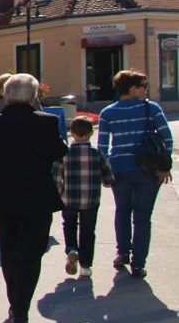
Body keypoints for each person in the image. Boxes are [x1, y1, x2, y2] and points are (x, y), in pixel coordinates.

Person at [0, 73, 67, 323]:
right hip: (36, 201)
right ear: (34, 97)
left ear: (5, 95)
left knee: (10, 253)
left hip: (0, 201)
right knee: (32, 256)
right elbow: (60, 153)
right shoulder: (47, 123)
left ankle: (16, 304)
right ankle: (21, 313)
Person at [97, 69, 173, 279]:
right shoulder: (151, 108)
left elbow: (102, 147)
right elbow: (167, 138)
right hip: (147, 171)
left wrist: (104, 173)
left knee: (122, 211)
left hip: (119, 170)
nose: (146, 90)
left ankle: (122, 254)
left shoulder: (107, 113)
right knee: (142, 218)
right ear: (132, 89)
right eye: (144, 86)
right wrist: (164, 167)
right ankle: (138, 264)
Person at [56, 115, 114, 278]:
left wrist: (58, 192)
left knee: (69, 225)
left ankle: (72, 249)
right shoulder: (98, 154)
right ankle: (86, 266)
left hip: (69, 199)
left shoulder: (64, 154)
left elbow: (55, 177)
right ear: (91, 133)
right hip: (91, 199)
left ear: (72, 133)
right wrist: (107, 182)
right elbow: (108, 179)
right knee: (88, 231)